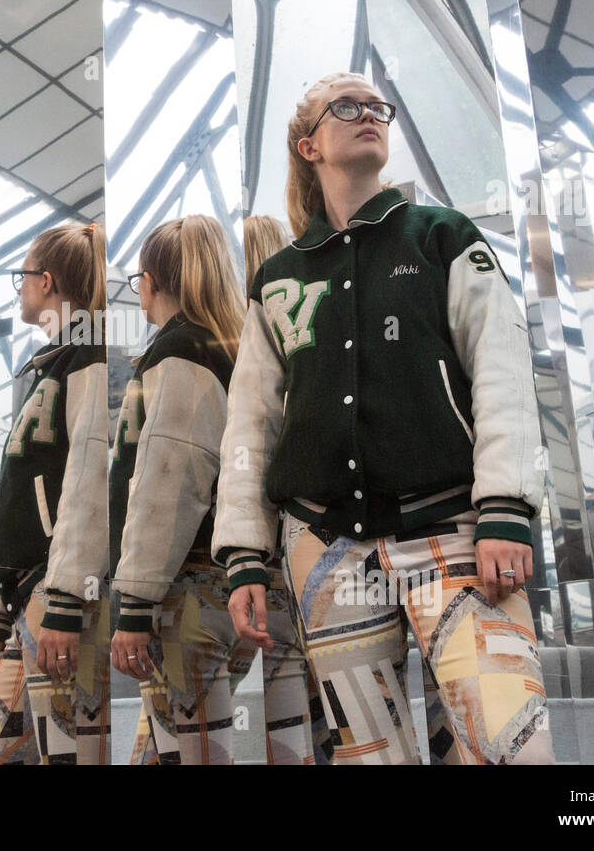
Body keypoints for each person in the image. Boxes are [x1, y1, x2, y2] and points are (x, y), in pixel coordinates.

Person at [214, 71, 554, 765]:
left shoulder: (443, 235)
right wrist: (245, 557)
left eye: (377, 106)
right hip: (325, 547)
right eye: (347, 106)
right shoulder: (278, 277)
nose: (368, 114)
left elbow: (503, 370)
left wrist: (507, 507)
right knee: (370, 758)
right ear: (309, 145)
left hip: (455, 531)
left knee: (514, 747)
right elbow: (249, 427)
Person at [108, 214, 311, 765]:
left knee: (195, 752)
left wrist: (135, 604)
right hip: (259, 580)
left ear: (151, 281)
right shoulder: (245, 349)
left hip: (191, 588)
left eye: (137, 282)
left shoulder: (178, 352)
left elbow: (168, 483)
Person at [0, 222, 111, 765]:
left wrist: (66, 599)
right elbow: (16, 500)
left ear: (45, 280)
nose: (18, 287)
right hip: (27, 594)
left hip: (56, 594)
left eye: (21, 276)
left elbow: (89, 480)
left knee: (68, 755)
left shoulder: (90, 358)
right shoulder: (52, 363)